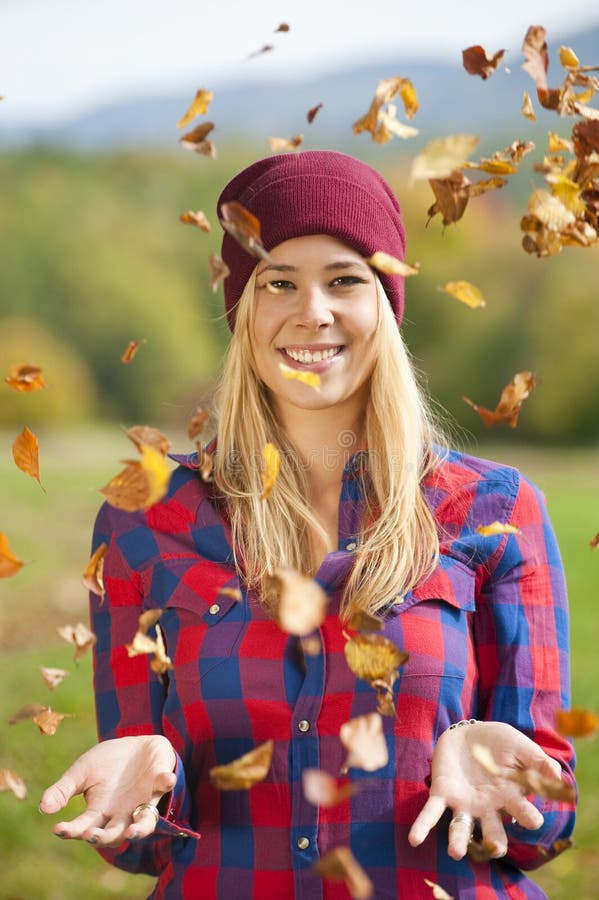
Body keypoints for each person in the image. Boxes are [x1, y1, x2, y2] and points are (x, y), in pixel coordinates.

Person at [40, 151, 576, 899]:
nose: (312, 311)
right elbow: (137, 843)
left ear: (384, 303)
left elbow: (549, 825)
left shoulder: (495, 510)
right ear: (242, 310)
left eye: (345, 280)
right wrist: (151, 794)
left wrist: (497, 771)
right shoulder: (146, 519)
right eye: (279, 282)